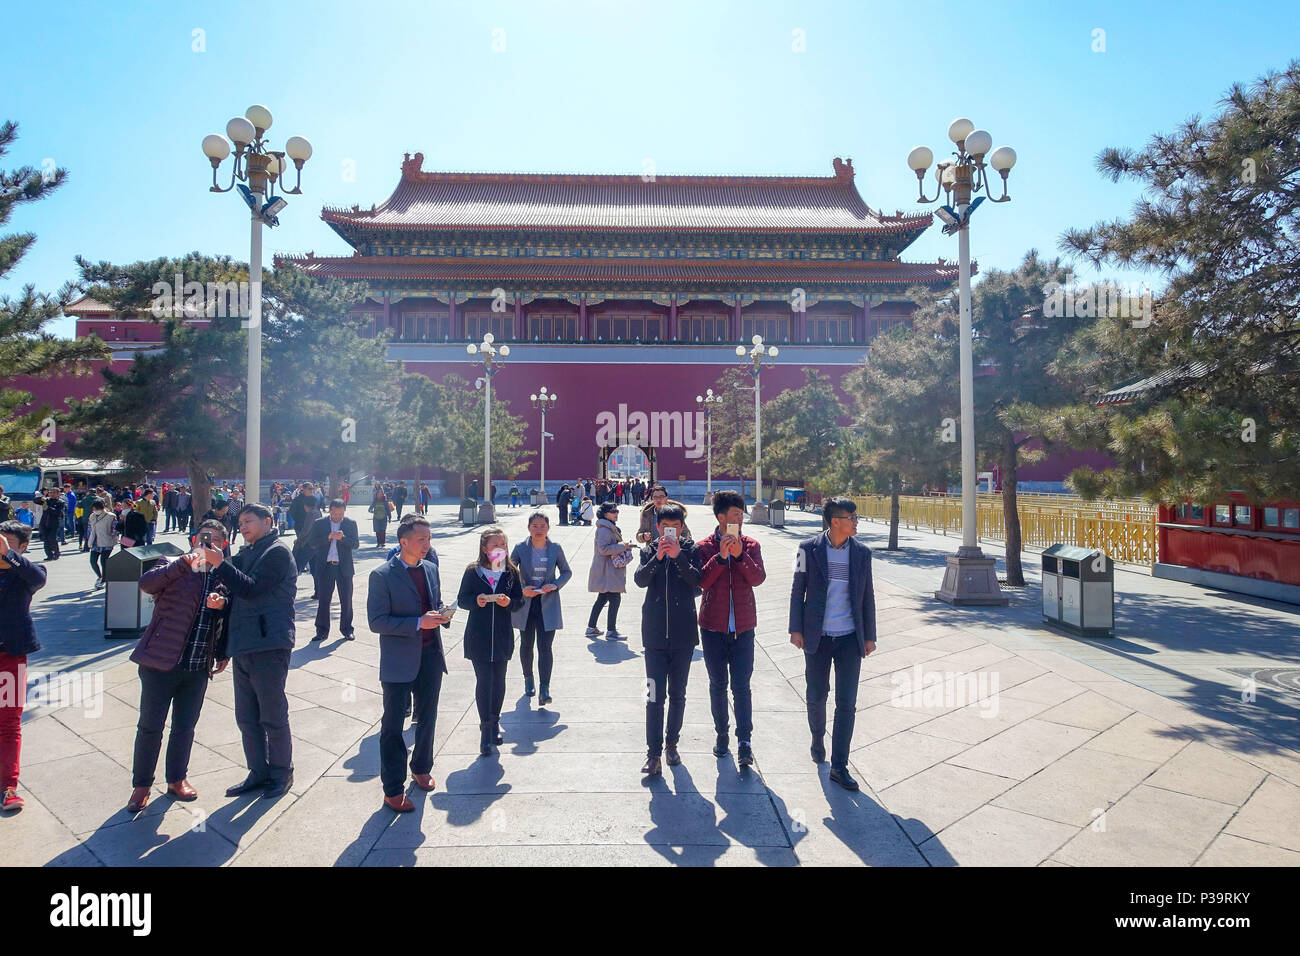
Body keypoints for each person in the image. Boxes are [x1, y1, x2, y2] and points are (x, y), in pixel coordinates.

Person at [126, 519, 232, 812]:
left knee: (185, 727)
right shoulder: (171, 562)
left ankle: (176, 779)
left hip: (197, 665)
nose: (208, 544)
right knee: (150, 727)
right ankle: (142, 785)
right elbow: (147, 584)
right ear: (193, 538)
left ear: (223, 544)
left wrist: (222, 648)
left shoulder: (221, 575)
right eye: (203, 538)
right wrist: (185, 563)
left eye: (215, 540)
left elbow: (226, 617)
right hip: (160, 661)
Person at [206, 503, 298, 800]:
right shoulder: (247, 553)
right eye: (240, 521)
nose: (243, 526)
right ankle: (258, 771)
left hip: (269, 643)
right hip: (244, 643)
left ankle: (281, 772)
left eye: (249, 521)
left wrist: (222, 564)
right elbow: (235, 593)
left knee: (272, 714)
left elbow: (253, 588)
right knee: (246, 717)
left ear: (268, 522)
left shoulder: (277, 552)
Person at [789, 496, 877, 791]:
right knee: (816, 694)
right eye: (852, 517)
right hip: (818, 635)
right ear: (835, 521)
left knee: (847, 704)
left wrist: (869, 635)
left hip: (850, 638)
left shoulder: (862, 553)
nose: (856, 521)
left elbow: (868, 597)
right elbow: (796, 590)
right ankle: (817, 737)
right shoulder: (807, 549)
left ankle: (839, 765)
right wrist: (795, 628)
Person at [368, 514, 452, 812]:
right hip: (398, 662)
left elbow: (432, 603)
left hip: (430, 656)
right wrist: (419, 622)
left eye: (429, 539)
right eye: (421, 539)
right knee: (393, 725)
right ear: (403, 542)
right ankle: (392, 788)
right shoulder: (382, 575)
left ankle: (421, 766)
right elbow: (377, 622)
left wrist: (441, 615)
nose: (427, 544)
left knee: (428, 717)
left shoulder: (430, 569)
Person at [696, 490, 766, 766]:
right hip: (713, 626)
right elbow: (701, 581)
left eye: (742, 514)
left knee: (742, 686)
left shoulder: (750, 545)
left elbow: (758, 578)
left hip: (743, 628)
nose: (741, 519)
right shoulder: (704, 546)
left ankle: (744, 741)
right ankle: (722, 734)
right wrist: (721, 556)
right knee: (717, 685)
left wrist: (739, 556)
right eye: (736, 514)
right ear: (721, 517)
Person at [633, 504, 701, 777]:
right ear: (657, 527)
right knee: (653, 696)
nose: (669, 530)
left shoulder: (692, 550)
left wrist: (679, 557)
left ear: (681, 527)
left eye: (674, 526)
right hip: (654, 635)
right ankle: (653, 753)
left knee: (678, 694)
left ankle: (672, 744)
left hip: (683, 634)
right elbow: (639, 580)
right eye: (664, 526)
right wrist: (659, 558)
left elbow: (698, 583)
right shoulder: (649, 550)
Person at [456, 527, 524, 756]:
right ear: (485, 549)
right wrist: (477, 600)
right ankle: (485, 730)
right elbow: (462, 600)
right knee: (484, 681)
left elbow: (519, 600)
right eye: (496, 545)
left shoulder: (511, 572)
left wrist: (508, 603)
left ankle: (495, 722)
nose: (500, 549)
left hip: (503, 636)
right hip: (479, 636)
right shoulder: (473, 572)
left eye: (503, 544)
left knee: (499, 681)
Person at [0, 521, 46, 812]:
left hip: (10, 656)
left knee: (8, 723)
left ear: (22, 547)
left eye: (7, 541)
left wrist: (9, 556)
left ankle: (8, 786)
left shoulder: (26, 572)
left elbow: (38, 578)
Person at [510, 513, 572, 704]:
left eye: (542, 526)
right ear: (529, 528)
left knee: (545, 647)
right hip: (526, 604)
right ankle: (528, 679)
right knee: (526, 645)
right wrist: (521, 590)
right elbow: (508, 573)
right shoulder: (520, 548)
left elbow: (566, 572)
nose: (539, 530)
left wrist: (555, 585)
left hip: (548, 603)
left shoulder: (555, 548)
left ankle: (544, 687)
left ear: (548, 528)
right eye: (535, 526)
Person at [308, 498, 360, 642]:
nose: (337, 516)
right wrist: (328, 538)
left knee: (346, 600)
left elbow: (355, 544)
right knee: (324, 600)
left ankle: (347, 629)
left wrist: (343, 538)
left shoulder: (350, 523)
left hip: (344, 567)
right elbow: (312, 543)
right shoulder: (320, 523)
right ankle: (321, 631)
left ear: (344, 511)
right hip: (326, 566)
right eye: (335, 513)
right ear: (330, 510)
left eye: (340, 513)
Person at [586, 501, 634, 640]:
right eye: (613, 511)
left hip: (607, 569)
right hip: (607, 569)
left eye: (617, 511)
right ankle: (611, 631)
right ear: (605, 513)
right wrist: (623, 546)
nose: (616, 513)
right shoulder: (604, 529)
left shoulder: (608, 527)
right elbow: (604, 549)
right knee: (614, 598)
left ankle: (591, 627)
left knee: (602, 598)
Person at [289, 483, 322, 578]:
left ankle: (318, 591)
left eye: (312, 489)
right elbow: (293, 512)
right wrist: (300, 522)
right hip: (301, 529)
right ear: (303, 489)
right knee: (299, 561)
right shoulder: (297, 500)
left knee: (314, 564)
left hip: (311, 534)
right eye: (309, 489)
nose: (311, 490)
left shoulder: (314, 500)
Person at [87, 498, 119, 588]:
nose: (95, 511)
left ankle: (104, 579)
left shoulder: (111, 516)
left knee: (103, 561)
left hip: (107, 541)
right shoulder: (92, 516)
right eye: (93, 509)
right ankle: (100, 577)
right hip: (95, 541)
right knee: (93, 561)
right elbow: (90, 528)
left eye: (96, 508)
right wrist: (88, 540)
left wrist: (116, 536)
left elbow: (115, 529)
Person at [38, 489, 64, 560]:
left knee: (52, 538)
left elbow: (57, 512)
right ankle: (49, 555)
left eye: (54, 493)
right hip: (44, 522)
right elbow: (36, 501)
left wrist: (48, 508)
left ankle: (56, 553)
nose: (51, 494)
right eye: (50, 492)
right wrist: (41, 498)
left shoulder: (61, 502)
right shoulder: (47, 500)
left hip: (54, 523)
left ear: (58, 494)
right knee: (45, 539)